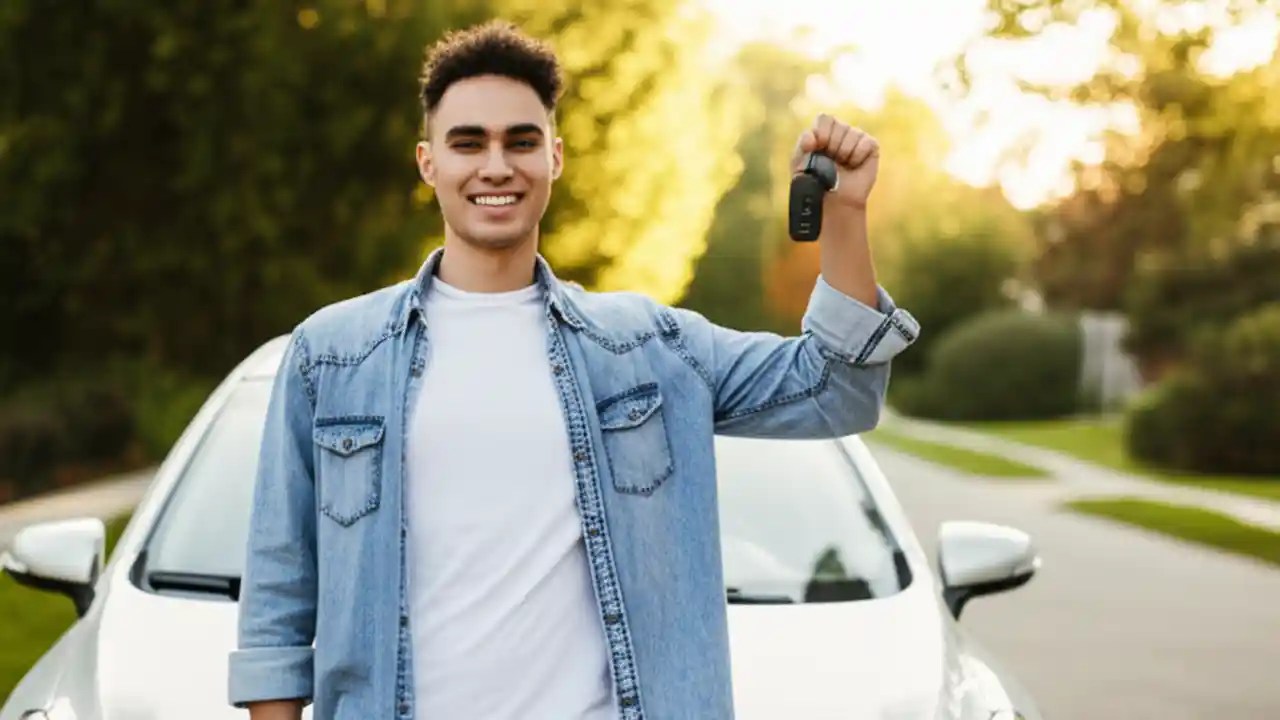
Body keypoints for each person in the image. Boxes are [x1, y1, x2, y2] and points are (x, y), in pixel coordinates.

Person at [227, 19, 919, 720]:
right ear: (428, 161)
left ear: (554, 157)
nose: (496, 166)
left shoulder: (649, 348)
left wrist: (846, 217)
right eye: (468, 143)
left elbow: (836, 394)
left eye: (520, 142)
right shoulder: (334, 354)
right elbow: (278, 600)